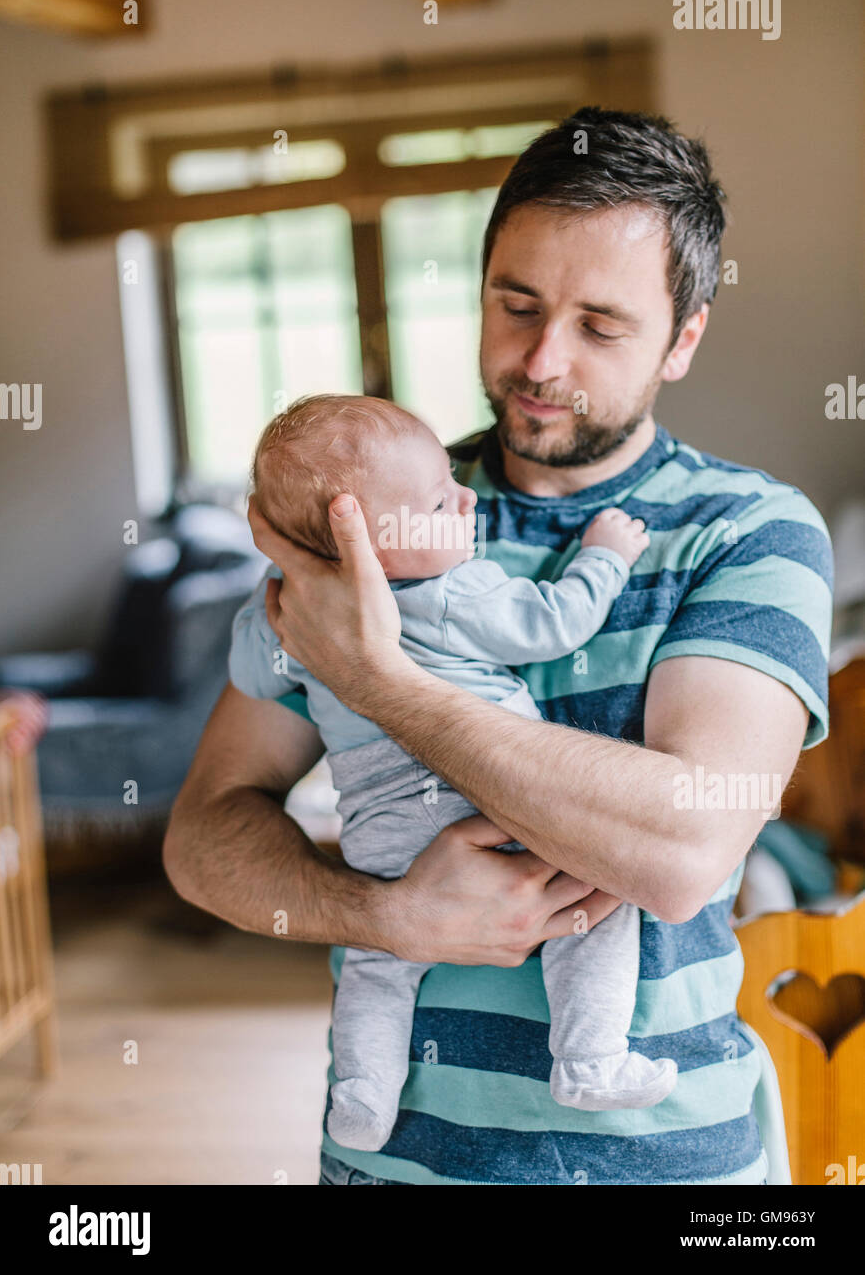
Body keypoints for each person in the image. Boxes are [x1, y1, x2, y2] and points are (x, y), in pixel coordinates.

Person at [164, 107, 833, 1186]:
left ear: (684, 335)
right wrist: (379, 911)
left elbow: (681, 853)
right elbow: (200, 839)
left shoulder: (748, 533)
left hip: (661, 1169)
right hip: (390, 1166)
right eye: (513, 304)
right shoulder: (365, 523)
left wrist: (381, 681)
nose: (537, 359)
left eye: (598, 327)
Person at [230, 393, 670, 1153]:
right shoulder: (451, 592)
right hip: (489, 804)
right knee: (601, 901)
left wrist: (270, 602)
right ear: (366, 542)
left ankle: (363, 1100)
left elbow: (253, 675)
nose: (466, 496)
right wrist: (604, 555)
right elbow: (553, 622)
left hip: (375, 826)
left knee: (379, 963)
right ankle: (590, 1057)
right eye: (440, 500)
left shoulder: (290, 613)